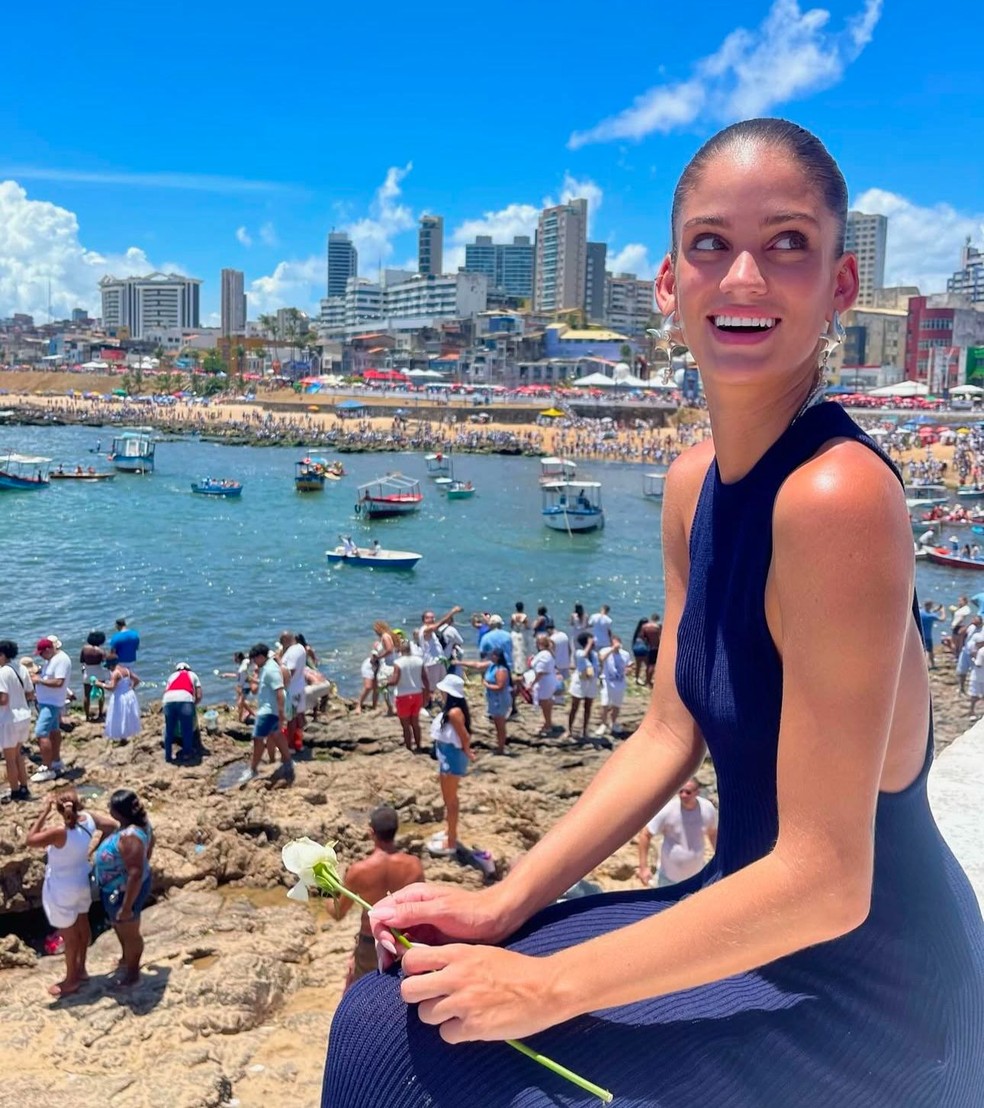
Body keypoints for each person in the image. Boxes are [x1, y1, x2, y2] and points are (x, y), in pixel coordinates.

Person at [324, 119, 984, 1107]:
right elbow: (669, 727)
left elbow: (828, 874)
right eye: (713, 244)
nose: (747, 277)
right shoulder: (690, 486)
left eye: (789, 243)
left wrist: (544, 986)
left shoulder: (837, 495)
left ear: (841, 285)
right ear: (670, 285)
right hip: (745, 907)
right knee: (397, 999)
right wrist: (504, 900)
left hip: (863, 985)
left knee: (394, 1054)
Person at [26, 788, 117, 997]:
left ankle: (71, 980)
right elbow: (112, 825)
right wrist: (95, 850)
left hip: (62, 887)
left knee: (69, 935)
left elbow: (30, 840)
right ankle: (82, 969)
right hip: (81, 880)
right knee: (82, 925)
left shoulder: (59, 833)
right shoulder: (88, 820)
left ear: (59, 809)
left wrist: (43, 813)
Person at [326, 806, 425, 991]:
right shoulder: (414, 866)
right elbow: (421, 907)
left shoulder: (359, 870)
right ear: (396, 830)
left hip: (370, 943)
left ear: (371, 832)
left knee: (360, 995)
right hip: (403, 941)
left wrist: (326, 891)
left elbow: (337, 913)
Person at [93, 789, 154, 988]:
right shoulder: (137, 826)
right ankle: (126, 959)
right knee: (119, 927)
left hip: (125, 892)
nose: (108, 809)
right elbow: (150, 847)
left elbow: (135, 873)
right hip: (115, 890)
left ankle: (133, 973)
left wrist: (127, 905)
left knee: (130, 932)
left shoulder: (130, 837)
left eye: (111, 806)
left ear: (119, 813)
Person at [637, 778, 719, 887]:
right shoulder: (668, 810)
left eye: (688, 792)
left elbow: (712, 833)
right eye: (681, 791)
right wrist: (643, 868)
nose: (683, 795)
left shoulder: (707, 809)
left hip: (697, 877)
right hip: (668, 879)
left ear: (697, 793)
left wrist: (719, 858)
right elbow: (645, 834)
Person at [427, 674, 476, 854]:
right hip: (447, 756)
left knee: (451, 801)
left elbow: (464, 736)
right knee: (449, 799)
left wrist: (467, 751)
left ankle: (452, 841)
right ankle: (449, 831)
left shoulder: (454, 712)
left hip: (452, 758)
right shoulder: (452, 710)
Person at [248, 643, 294, 783]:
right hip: (270, 710)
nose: (254, 662)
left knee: (258, 739)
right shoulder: (267, 668)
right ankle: (287, 761)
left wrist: (280, 714)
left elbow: (279, 692)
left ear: (261, 657)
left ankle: (253, 770)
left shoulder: (270, 670)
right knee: (277, 735)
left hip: (268, 711)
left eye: (254, 659)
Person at [31, 637, 72, 782]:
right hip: (46, 701)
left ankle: (46, 767)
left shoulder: (61, 660)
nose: (41, 656)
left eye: (41, 653)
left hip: (51, 702)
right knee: (54, 731)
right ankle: (55, 760)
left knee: (41, 732)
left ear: (48, 650)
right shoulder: (52, 659)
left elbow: (59, 682)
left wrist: (39, 680)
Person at [459, 645, 512, 754]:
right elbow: (477, 665)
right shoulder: (492, 665)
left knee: (500, 725)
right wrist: (460, 663)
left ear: (497, 656)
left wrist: (486, 685)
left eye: (492, 655)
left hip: (499, 700)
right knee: (497, 724)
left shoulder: (501, 670)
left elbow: (499, 687)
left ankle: (501, 748)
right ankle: (500, 746)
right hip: (493, 700)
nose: (490, 657)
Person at [0, 639, 33, 803]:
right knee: (18, 754)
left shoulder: (2, 672)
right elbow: (30, 694)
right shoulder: (22, 668)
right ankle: (24, 787)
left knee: (9, 758)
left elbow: (3, 699)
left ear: (2, 655)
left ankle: (14, 791)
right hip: (24, 716)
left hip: (9, 718)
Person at [389, 638, 428, 752]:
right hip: (417, 694)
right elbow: (425, 679)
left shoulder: (398, 663)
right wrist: (426, 695)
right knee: (415, 723)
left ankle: (409, 747)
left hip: (403, 696)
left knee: (406, 725)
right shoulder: (419, 661)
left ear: (401, 650)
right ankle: (419, 746)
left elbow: (395, 680)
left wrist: (386, 683)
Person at [161, 662, 203, 763]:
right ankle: (187, 754)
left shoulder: (171, 676)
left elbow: (165, 691)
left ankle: (168, 756)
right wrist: (193, 705)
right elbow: (199, 695)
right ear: (189, 669)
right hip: (185, 699)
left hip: (168, 700)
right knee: (187, 729)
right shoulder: (193, 675)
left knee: (169, 729)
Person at [94, 658, 141, 744]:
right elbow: (137, 680)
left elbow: (112, 688)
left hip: (120, 696)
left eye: (108, 667)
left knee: (118, 716)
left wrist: (100, 684)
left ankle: (122, 737)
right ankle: (125, 736)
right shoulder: (126, 670)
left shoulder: (115, 673)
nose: (109, 669)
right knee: (127, 716)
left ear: (112, 665)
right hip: (129, 695)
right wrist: (131, 687)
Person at [568, 630, 600, 740]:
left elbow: (597, 667)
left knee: (588, 707)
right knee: (575, 707)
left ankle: (584, 730)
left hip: (591, 683)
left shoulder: (594, 654)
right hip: (580, 683)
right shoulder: (579, 652)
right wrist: (589, 643)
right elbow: (583, 656)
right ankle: (570, 729)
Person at [280, 631, 308, 753]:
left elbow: (289, 672)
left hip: (292, 690)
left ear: (285, 641)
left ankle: (291, 746)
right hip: (300, 687)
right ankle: (298, 743)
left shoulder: (291, 652)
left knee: (291, 719)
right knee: (299, 717)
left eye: (282, 643)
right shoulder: (301, 648)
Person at [597, 635, 630, 738]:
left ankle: (613, 722)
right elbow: (601, 659)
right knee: (604, 703)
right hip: (607, 682)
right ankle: (603, 724)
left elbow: (628, 665)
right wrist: (612, 650)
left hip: (620, 682)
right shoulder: (605, 650)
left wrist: (628, 670)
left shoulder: (625, 654)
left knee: (616, 704)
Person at [528, 633, 558, 737]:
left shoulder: (544, 654)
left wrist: (533, 683)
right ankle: (548, 722)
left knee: (544, 704)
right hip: (549, 680)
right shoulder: (548, 653)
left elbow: (540, 672)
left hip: (545, 682)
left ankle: (548, 725)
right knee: (547, 703)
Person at [79, 631, 107, 722]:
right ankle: (100, 714)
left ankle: (87, 716)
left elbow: (81, 660)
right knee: (101, 694)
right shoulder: (101, 651)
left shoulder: (84, 649)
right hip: (99, 672)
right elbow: (105, 662)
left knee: (86, 695)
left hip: (88, 672)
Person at [919, 599, 946, 669]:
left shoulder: (920, 612)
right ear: (930, 606)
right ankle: (926, 665)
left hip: (920, 635)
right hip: (928, 636)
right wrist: (943, 611)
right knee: (928, 651)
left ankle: (933, 664)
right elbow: (942, 619)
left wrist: (936, 609)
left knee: (930, 651)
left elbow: (929, 612)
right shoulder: (931, 616)